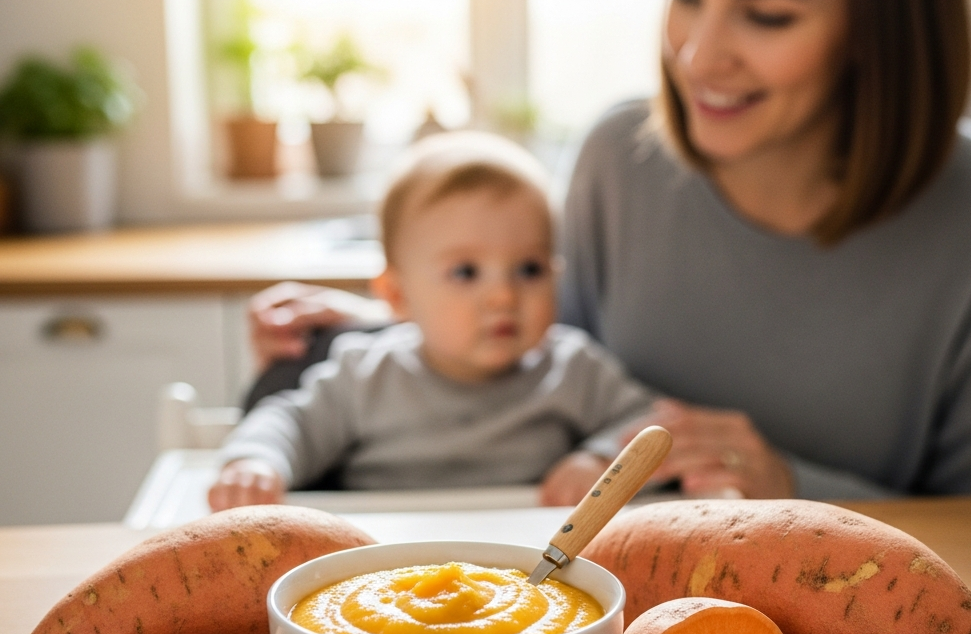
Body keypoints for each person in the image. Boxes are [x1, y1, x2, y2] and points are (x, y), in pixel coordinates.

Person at [246, 0, 971, 500]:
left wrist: (794, 489)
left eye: (767, 16)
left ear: (878, 23)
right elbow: (537, 369)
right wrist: (377, 327)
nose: (697, 57)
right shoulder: (620, 160)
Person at [208, 133, 656, 511]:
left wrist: (599, 462)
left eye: (529, 270)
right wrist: (254, 463)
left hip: (530, 570)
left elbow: (649, 426)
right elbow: (290, 422)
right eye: (465, 272)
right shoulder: (367, 374)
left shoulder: (572, 369)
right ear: (398, 296)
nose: (503, 295)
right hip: (384, 573)